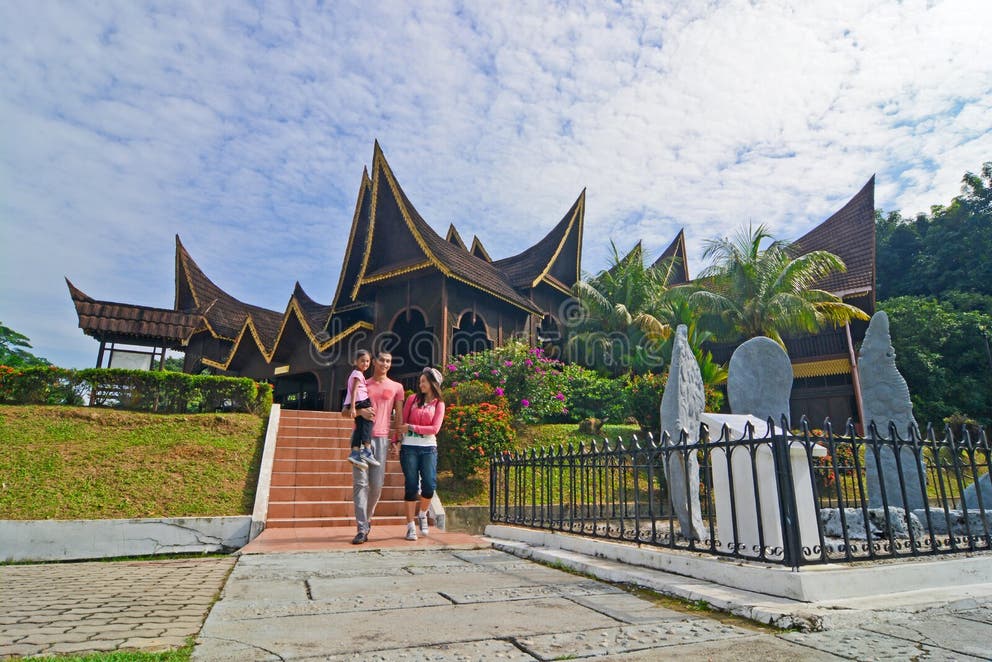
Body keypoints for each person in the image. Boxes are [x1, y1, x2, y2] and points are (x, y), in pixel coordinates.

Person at [343, 351, 404, 545]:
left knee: (376, 486)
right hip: (361, 438)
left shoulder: (397, 387)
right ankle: (361, 528)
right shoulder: (361, 381)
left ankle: (367, 519)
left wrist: (398, 441)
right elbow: (345, 411)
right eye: (382, 360)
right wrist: (360, 411)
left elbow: (399, 418)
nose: (385, 364)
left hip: (382, 439)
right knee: (360, 483)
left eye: (389, 361)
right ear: (374, 362)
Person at [400, 366, 445, 541]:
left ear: (433, 383)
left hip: (428, 448)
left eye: (424, 381)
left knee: (429, 486)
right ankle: (410, 526)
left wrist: (412, 427)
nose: (421, 385)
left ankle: (423, 513)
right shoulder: (412, 399)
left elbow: (435, 428)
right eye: (420, 382)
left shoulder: (439, 404)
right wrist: (396, 441)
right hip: (409, 446)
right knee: (411, 486)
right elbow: (403, 422)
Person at [343, 350, 379, 469]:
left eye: (367, 361)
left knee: (359, 427)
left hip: (357, 402)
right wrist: (353, 407)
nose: (365, 363)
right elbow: (354, 391)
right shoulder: (358, 374)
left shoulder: (355, 374)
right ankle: (367, 449)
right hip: (361, 401)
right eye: (362, 361)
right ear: (355, 362)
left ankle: (355, 452)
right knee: (369, 420)